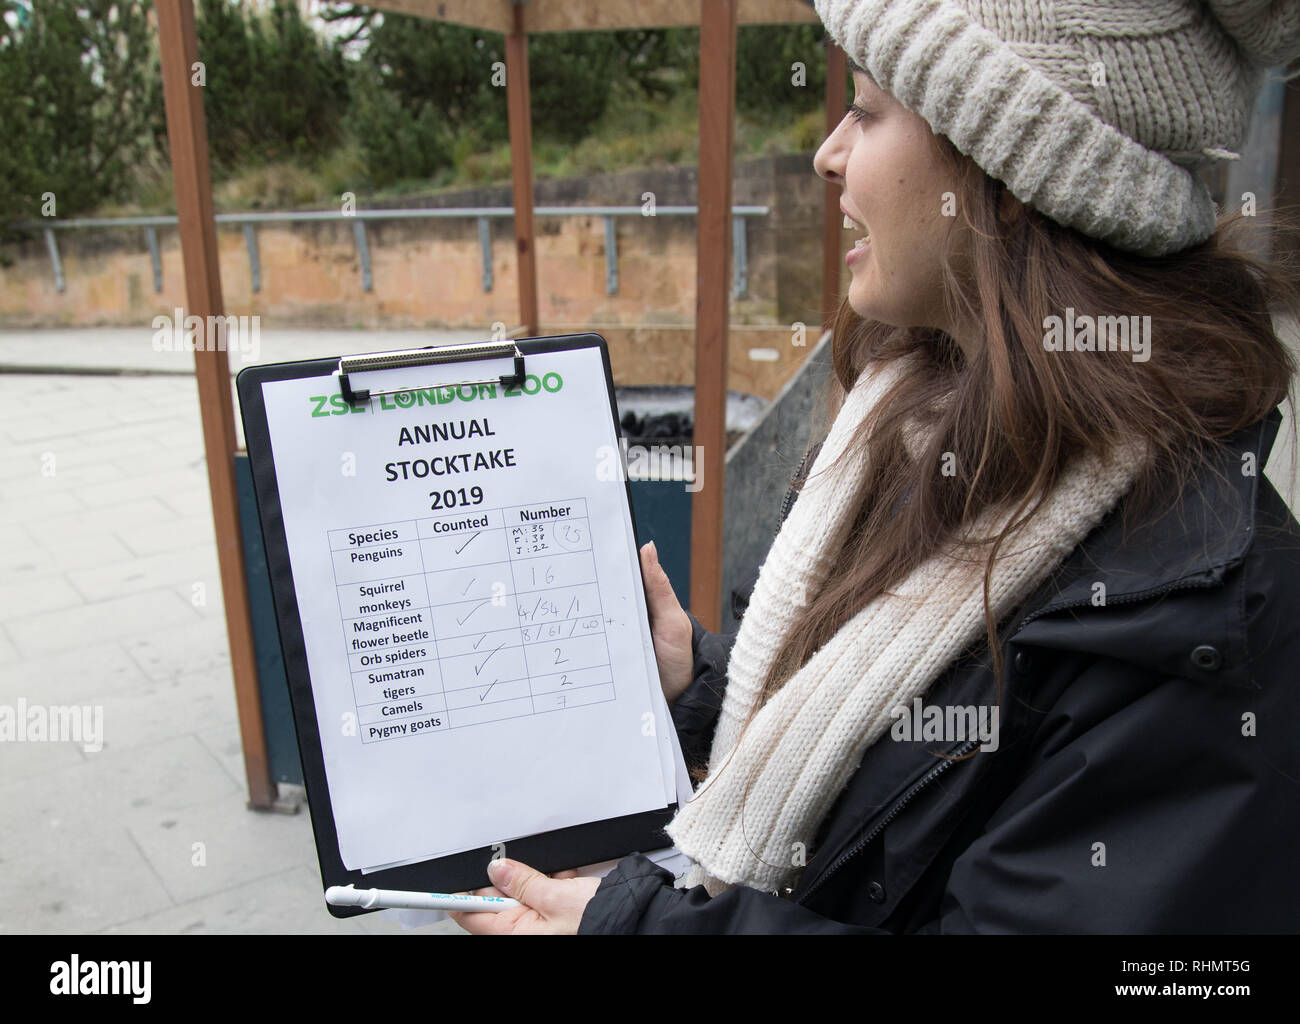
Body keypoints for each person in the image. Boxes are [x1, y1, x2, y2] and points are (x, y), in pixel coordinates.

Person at [449, 0, 1300, 934]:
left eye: (867, 108)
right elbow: (906, 749)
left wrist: (642, 930)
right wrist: (699, 684)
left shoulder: (1206, 618)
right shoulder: (923, 426)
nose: (828, 155)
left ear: (1011, 168)